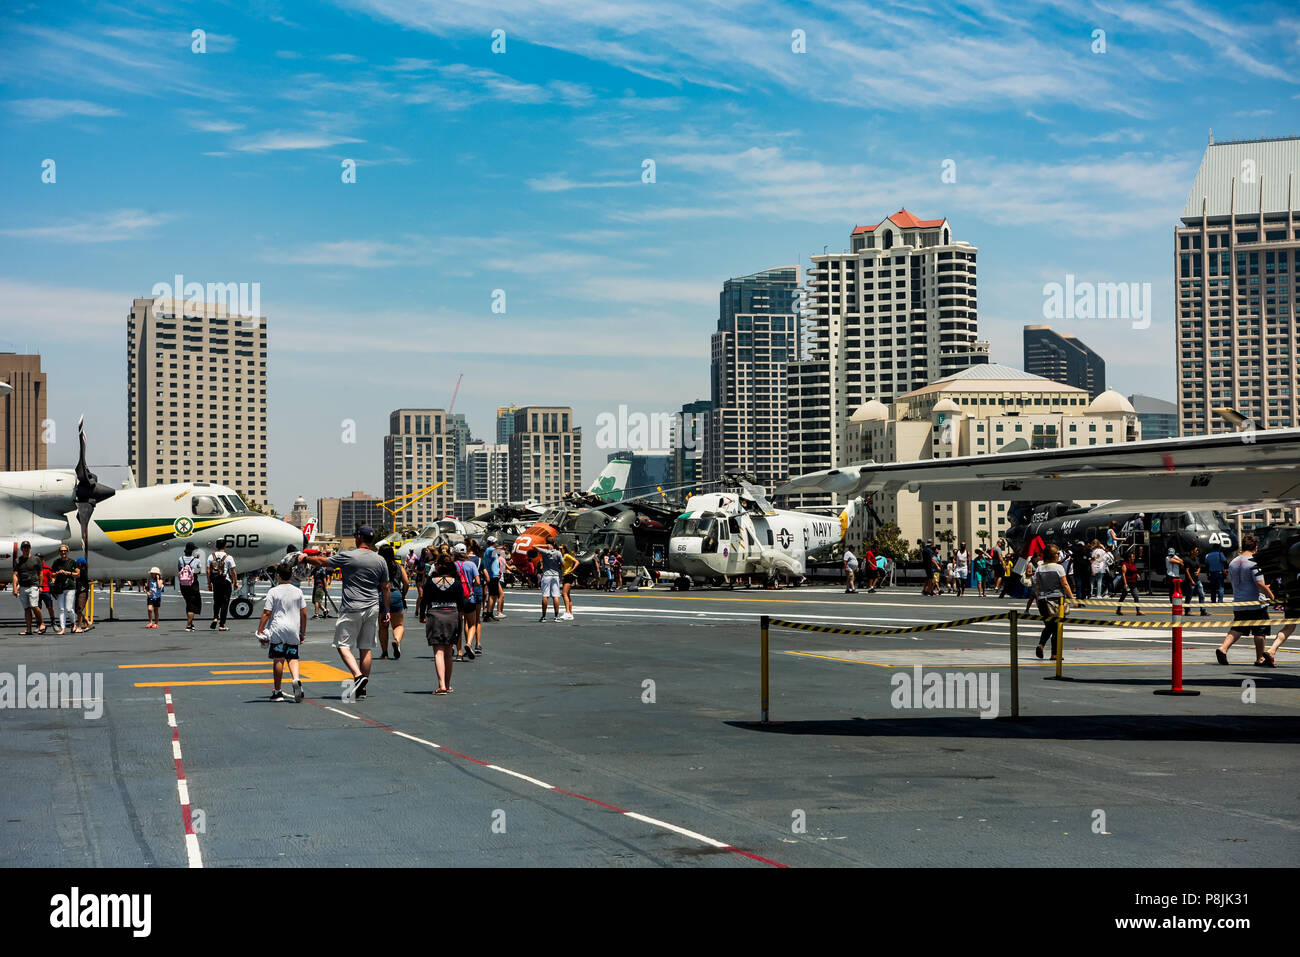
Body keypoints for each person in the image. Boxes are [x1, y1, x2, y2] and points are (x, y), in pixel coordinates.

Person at [297, 525, 391, 700]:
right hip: (372, 607)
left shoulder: (349, 556)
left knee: (342, 645)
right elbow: (385, 587)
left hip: (352, 607)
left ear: (358, 538)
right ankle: (362, 688)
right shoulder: (380, 560)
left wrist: (305, 558)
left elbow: (323, 562)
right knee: (366, 648)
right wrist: (386, 610)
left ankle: (357, 675)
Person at [1216, 535, 1274, 667]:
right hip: (1256, 603)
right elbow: (1260, 584)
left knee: (1238, 628)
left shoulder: (1233, 562)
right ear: (1256, 547)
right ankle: (1260, 658)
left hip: (1239, 602)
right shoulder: (1254, 562)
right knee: (1260, 631)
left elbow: (1233, 583)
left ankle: (1223, 648)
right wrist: (1271, 595)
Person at [257, 561, 308, 702]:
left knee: (278, 659)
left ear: (278, 576)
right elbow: (303, 613)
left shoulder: (273, 591)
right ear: (291, 575)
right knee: (293, 657)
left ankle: (278, 691)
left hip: (278, 628)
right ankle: (296, 679)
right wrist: (302, 632)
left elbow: (267, 612)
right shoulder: (298, 591)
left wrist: (260, 630)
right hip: (293, 628)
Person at [419, 547, 467, 694]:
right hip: (452, 615)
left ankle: (441, 685)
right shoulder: (457, 583)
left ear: (438, 566)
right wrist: (460, 619)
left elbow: (424, 600)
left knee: (438, 651)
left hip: (435, 614)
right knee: (448, 651)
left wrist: (422, 615)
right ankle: (448, 683)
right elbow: (461, 604)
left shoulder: (431, 582)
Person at [1033, 544, 1074, 659]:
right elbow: (1065, 584)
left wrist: (1037, 599)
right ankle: (1054, 654)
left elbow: (1037, 586)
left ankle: (1041, 645)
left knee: (1049, 626)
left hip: (1042, 600)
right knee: (1056, 627)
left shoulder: (1039, 569)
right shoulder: (1058, 568)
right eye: (1057, 553)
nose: (1058, 555)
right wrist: (1072, 598)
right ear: (1053, 555)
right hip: (1056, 600)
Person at [376, 544, 409, 660]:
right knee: (398, 625)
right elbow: (406, 582)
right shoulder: (399, 567)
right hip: (396, 594)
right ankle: (396, 640)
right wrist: (403, 594)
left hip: (381, 595)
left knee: (383, 626)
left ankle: (384, 653)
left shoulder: (378, 567)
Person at [459, 541, 487, 657]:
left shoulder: (461, 562)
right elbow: (486, 577)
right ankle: (478, 644)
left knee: (466, 620)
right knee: (476, 620)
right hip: (477, 590)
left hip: (465, 592)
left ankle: (467, 643)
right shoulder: (479, 560)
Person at [11, 541, 45, 634]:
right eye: (24, 547)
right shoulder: (18, 560)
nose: (26, 549)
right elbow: (15, 574)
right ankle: (28, 629)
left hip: (33, 585)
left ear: (30, 548)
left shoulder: (36, 559)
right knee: (26, 608)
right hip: (22, 587)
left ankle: (42, 623)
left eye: (27, 547)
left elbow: (41, 573)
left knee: (34, 605)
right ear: (21, 549)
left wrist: (40, 585)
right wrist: (14, 588)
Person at [207, 538, 237, 631]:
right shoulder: (228, 557)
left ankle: (215, 617)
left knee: (216, 601)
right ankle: (222, 625)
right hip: (225, 581)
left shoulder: (211, 556)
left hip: (215, 582)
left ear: (216, 546)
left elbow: (208, 571)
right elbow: (233, 572)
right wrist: (235, 582)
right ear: (225, 545)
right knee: (225, 603)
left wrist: (209, 583)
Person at [49, 545, 78, 635]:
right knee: (61, 609)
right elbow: (52, 574)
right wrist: (58, 572)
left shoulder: (72, 562)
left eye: (65, 551)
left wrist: (68, 573)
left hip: (70, 587)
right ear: (59, 552)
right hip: (60, 587)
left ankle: (74, 623)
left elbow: (77, 574)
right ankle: (63, 628)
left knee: (68, 608)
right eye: (61, 551)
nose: (63, 552)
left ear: (68, 551)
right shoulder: (56, 562)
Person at [534, 541, 564, 621]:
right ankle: (556, 616)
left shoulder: (545, 552)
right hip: (555, 575)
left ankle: (543, 616)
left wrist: (544, 545)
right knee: (555, 596)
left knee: (545, 596)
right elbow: (563, 564)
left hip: (546, 575)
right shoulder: (558, 553)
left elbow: (534, 546)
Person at [1184, 546, 1208, 616]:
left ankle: (1203, 610)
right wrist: (1191, 581)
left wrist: (1198, 572)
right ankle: (1187, 610)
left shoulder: (1197, 559)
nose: (1197, 551)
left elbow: (1199, 567)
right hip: (1190, 580)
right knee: (1189, 595)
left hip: (1197, 580)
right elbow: (1187, 571)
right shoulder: (1187, 560)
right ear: (1192, 551)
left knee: (1202, 594)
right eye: (1196, 550)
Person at [560, 543, 578, 620]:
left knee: (564, 593)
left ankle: (567, 612)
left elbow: (577, 562)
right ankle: (570, 613)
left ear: (564, 549)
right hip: (565, 576)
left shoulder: (567, 555)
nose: (560, 550)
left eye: (561, 549)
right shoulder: (562, 556)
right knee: (567, 595)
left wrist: (572, 570)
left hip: (568, 575)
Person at [74, 557, 91, 632]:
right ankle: (86, 620)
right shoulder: (83, 570)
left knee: (79, 610)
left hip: (83, 592)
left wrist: (68, 572)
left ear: (80, 564)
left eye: (77, 563)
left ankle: (79, 627)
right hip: (79, 591)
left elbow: (76, 574)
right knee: (76, 610)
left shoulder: (82, 571)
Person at [39, 558, 56, 627]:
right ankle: (39, 624)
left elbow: (51, 577)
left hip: (46, 590)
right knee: (37, 608)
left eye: (41, 559)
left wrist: (53, 581)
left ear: (43, 560)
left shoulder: (47, 568)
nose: (39, 561)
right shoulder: (34, 568)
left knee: (50, 607)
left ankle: (53, 622)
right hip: (37, 590)